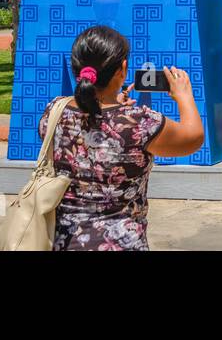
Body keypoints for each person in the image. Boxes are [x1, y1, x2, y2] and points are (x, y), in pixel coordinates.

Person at [37, 25, 205, 250]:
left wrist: (113, 107)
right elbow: (193, 137)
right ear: (122, 68)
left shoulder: (53, 111)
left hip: (62, 242)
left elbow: (89, 129)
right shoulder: (140, 123)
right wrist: (184, 95)